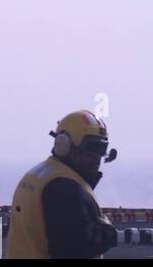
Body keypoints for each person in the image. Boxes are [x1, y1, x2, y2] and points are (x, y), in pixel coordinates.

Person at [7, 110, 118, 259]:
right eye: (92, 147)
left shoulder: (40, 174)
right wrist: (107, 235)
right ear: (63, 144)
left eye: (102, 149)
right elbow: (73, 251)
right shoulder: (65, 188)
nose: (97, 157)